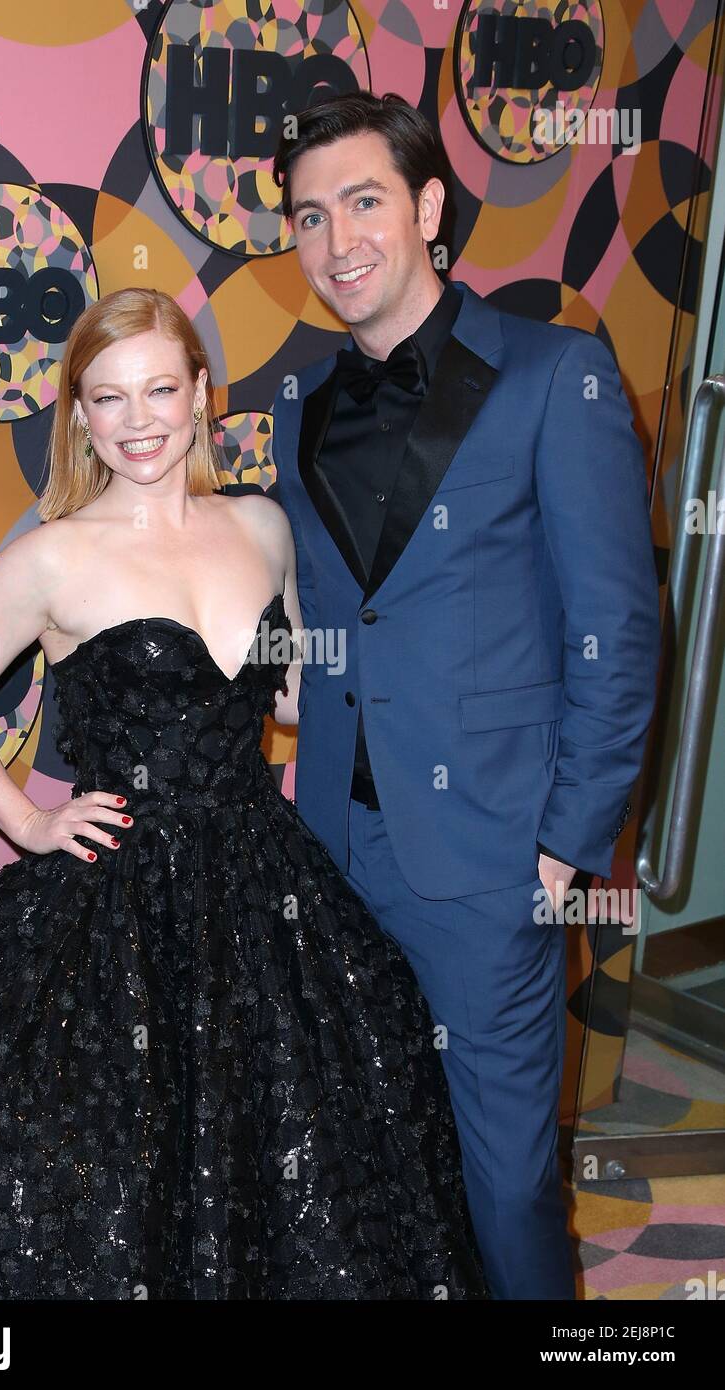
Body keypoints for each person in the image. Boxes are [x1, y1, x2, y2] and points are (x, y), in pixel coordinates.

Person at [0, 287, 489, 1301]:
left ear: (200, 393)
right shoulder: (51, 554)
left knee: (310, 1139)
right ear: (79, 414)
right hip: (116, 894)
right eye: (109, 398)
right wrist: (27, 821)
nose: (138, 418)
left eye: (159, 388)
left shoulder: (261, 527)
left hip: (264, 878)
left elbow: (288, 692)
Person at [268, 92, 662, 1300]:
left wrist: (561, 846)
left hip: (493, 856)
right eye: (309, 215)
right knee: (367, 1158)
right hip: (333, 845)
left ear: (430, 208)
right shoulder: (296, 407)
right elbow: (334, 619)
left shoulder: (556, 375)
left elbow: (617, 626)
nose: (337, 241)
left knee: (502, 1184)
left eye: (365, 201)